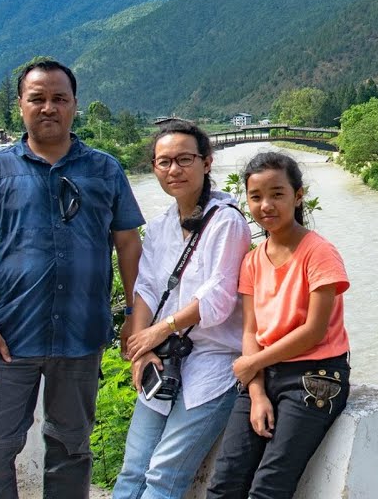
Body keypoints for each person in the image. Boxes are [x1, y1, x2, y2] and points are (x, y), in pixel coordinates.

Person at [0, 59, 145, 499]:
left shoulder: (104, 170)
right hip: (9, 336)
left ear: (74, 105)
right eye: (37, 98)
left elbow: (128, 245)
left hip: (81, 333)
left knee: (71, 447)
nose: (48, 107)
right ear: (20, 105)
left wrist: (134, 315)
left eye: (59, 98)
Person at [113, 120, 252, 498]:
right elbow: (145, 288)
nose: (174, 169)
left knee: (163, 475)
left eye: (184, 159)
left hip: (212, 364)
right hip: (163, 360)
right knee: (133, 469)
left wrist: (159, 331)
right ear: (154, 168)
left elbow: (218, 298)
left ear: (206, 162)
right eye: (164, 162)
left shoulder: (226, 221)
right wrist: (142, 351)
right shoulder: (160, 226)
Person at [206, 152, 351, 499]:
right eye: (256, 197)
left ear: (298, 196)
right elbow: (250, 331)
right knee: (225, 481)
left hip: (315, 376)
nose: (266, 205)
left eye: (277, 194)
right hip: (264, 373)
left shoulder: (319, 253)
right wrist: (257, 393)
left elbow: (314, 331)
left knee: (269, 486)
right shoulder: (252, 261)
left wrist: (253, 363)